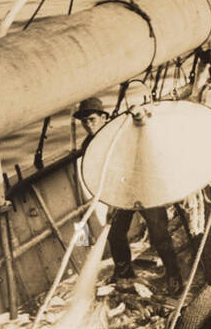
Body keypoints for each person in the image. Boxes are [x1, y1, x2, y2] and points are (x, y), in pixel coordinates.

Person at [75, 96, 187, 292]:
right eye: (84, 122)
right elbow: (99, 174)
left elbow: (144, 128)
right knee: (116, 234)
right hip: (121, 194)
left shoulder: (121, 131)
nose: (88, 125)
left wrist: (137, 114)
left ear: (104, 117)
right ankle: (124, 274)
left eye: (91, 119)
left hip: (145, 186)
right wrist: (110, 202)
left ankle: (174, 274)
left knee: (159, 233)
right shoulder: (89, 146)